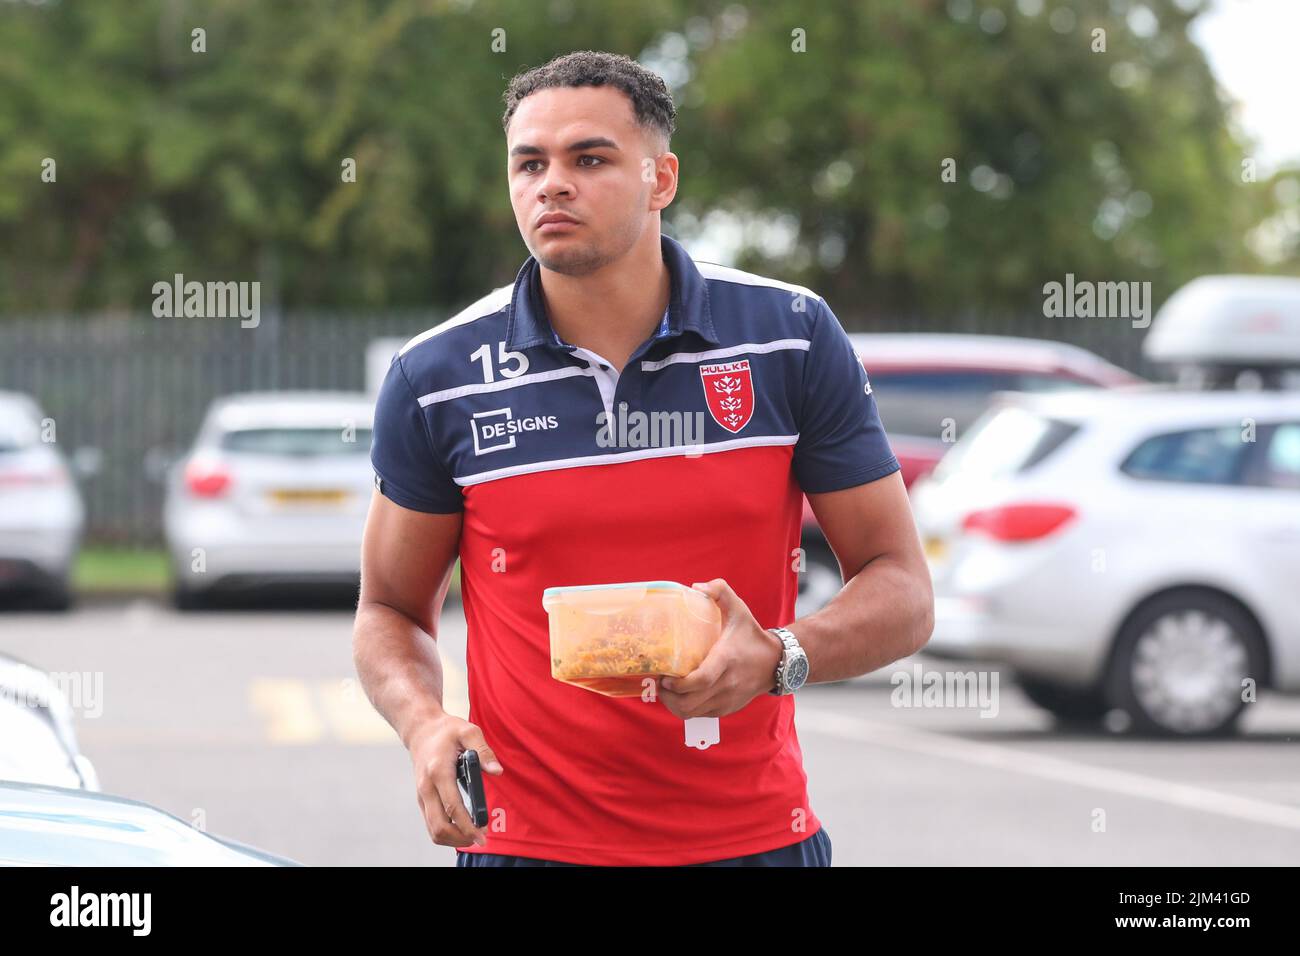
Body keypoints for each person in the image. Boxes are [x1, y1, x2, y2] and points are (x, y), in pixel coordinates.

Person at [353, 50, 933, 867]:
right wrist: (423, 724)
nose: (552, 184)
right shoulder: (436, 376)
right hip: (529, 850)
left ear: (662, 179)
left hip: (755, 842)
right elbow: (388, 612)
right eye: (530, 163)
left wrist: (778, 657)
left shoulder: (790, 335)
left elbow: (903, 589)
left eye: (589, 158)